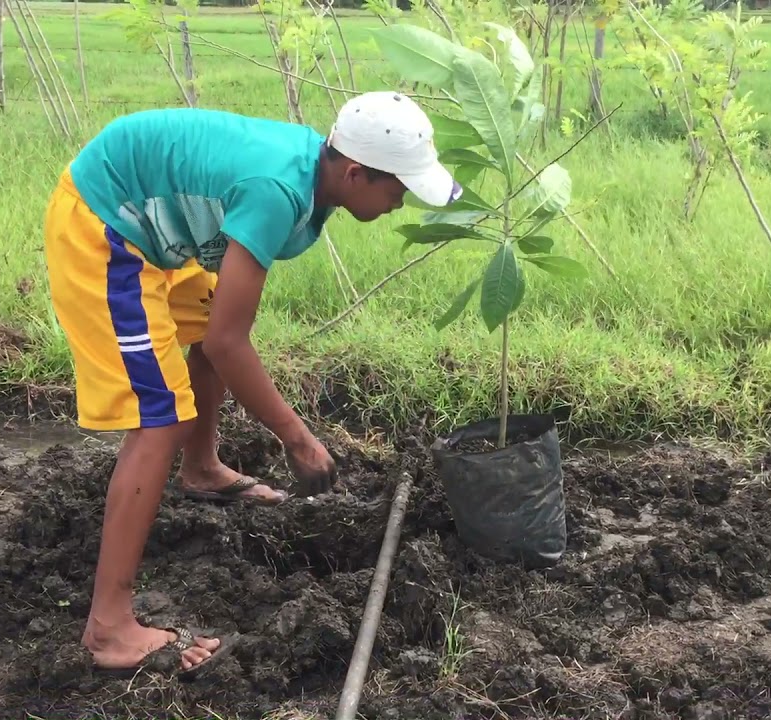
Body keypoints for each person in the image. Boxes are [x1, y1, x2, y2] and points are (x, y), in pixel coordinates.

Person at [41, 91, 462, 678]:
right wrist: (298, 437)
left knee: (209, 314)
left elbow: (220, 333)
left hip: (153, 225)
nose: (401, 203)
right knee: (160, 417)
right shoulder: (278, 191)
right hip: (107, 223)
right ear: (356, 173)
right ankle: (109, 627)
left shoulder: (309, 172)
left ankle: (202, 469)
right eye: (398, 189)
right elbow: (229, 345)